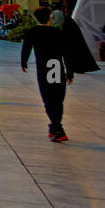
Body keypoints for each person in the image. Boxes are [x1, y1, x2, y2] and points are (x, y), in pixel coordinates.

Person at [22, 8, 74, 142]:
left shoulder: (32, 33)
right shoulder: (57, 32)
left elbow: (26, 48)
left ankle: (57, 128)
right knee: (57, 99)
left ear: (35, 18)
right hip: (56, 67)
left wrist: (24, 63)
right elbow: (66, 53)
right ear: (49, 18)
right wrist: (70, 72)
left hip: (44, 68)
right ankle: (54, 127)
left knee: (48, 99)